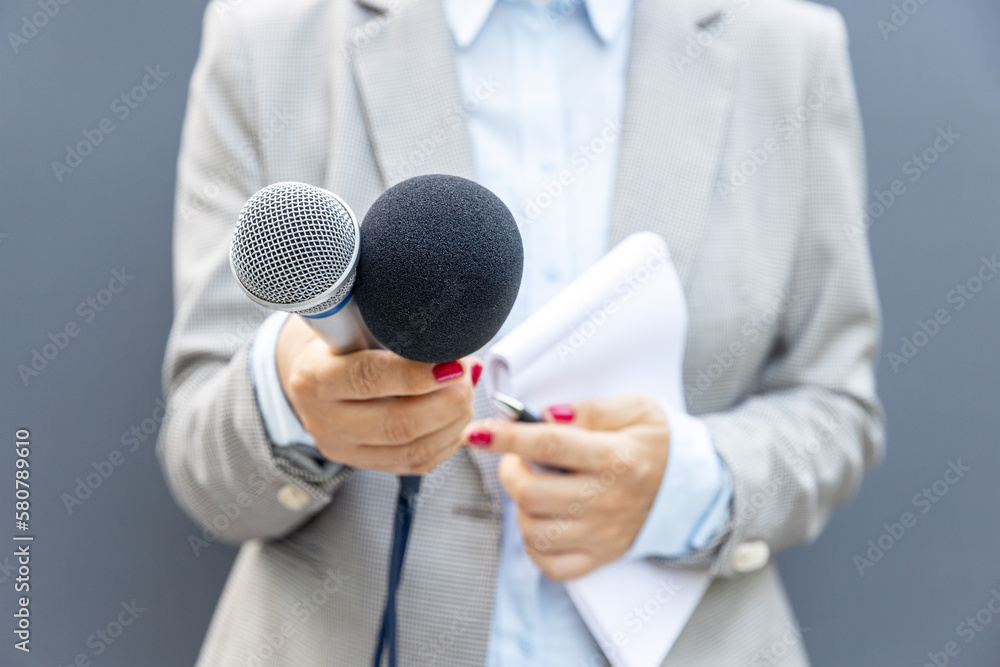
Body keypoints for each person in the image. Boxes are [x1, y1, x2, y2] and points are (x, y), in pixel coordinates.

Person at [157, 0, 885, 664]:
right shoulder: (266, 37)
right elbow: (198, 456)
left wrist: (688, 486)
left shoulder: (791, 49)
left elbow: (837, 406)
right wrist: (292, 400)